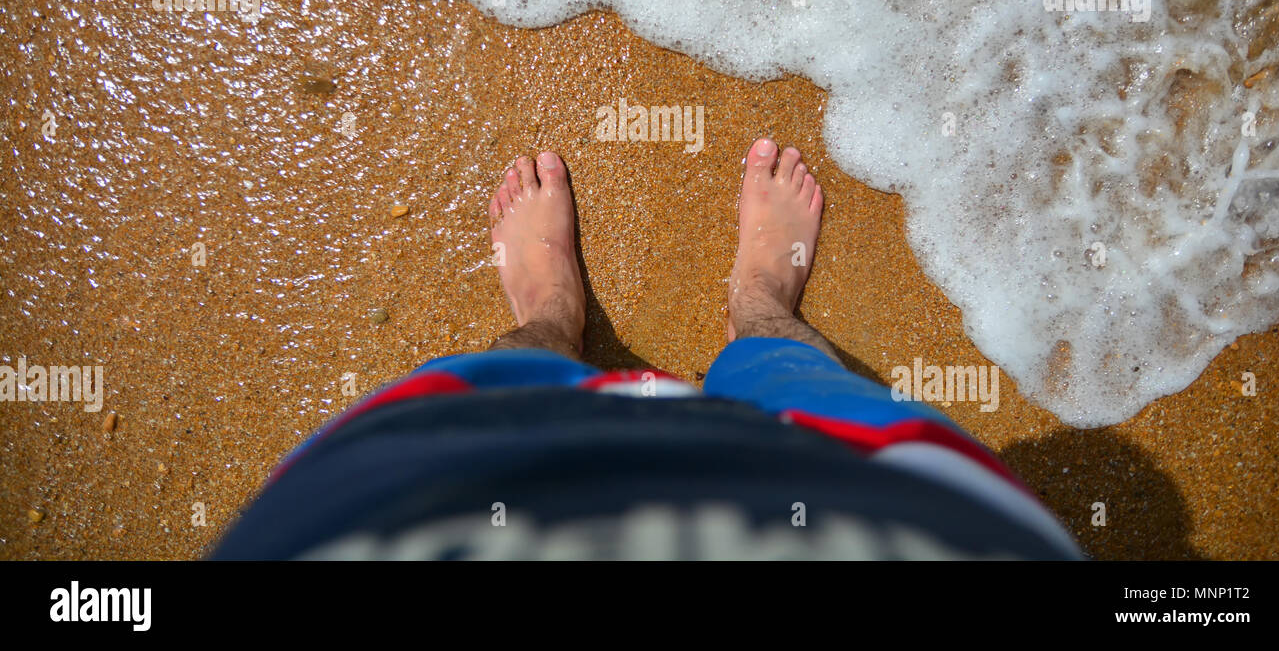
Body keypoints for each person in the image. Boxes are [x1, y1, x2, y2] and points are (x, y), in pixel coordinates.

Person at [213, 139, 1081, 559]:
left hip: (391, 517)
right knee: (797, 385)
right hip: (900, 515)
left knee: (496, 391)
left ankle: (555, 316)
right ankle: (758, 310)